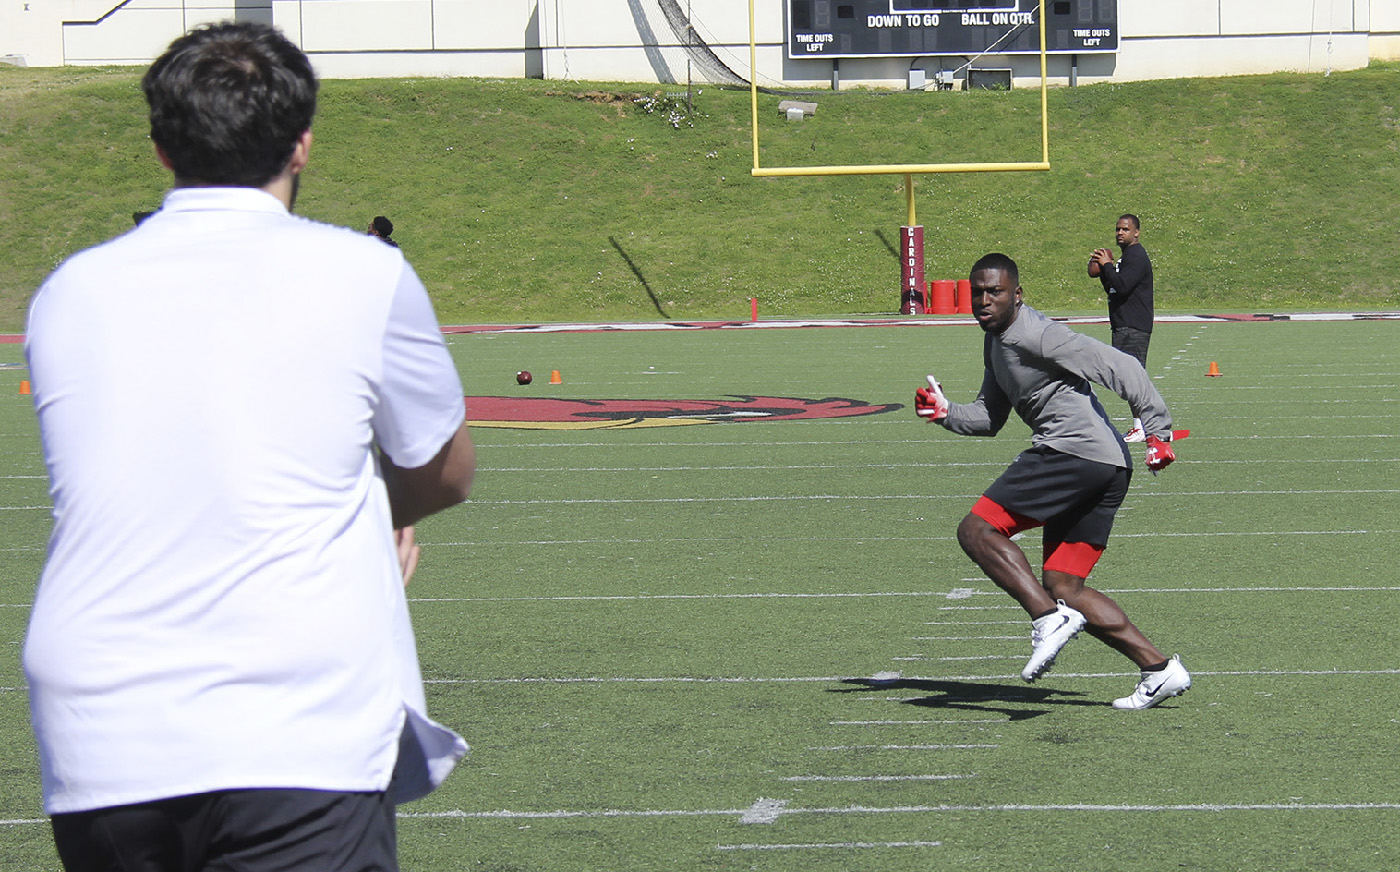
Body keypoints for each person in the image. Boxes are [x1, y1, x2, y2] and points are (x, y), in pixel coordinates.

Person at [24, 21, 475, 871]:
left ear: (160, 148)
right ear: (302, 144)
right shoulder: (364, 273)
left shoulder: (67, 292)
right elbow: (445, 470)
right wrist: (374, 509)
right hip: (292, 714)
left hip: (100, 724)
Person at [915, 252, 1189, 710]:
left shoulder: (1036, 333)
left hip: (1074, 454)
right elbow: (989, 417)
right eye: (977, 292)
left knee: (976, 530)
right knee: (1066, 586)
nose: (984, 300)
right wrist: (946, 413)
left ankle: (1047, 620)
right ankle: (1160, 670)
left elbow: (1122, 367)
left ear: (1016, 295)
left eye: (995, 292)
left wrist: (1157, 433)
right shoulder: (996, 341)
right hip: (1105, 466)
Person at [1089, 213, 1154, 442]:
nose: (1120, 233)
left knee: (1132, 379)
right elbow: (1115, 289)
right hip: (1123, 324)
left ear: (1136, 232)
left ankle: (1142, 426)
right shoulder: (1126, 257)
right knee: (1127, 379)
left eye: (1125, 229)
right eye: (1117, 229)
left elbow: (1124, 286)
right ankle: (1143, 425)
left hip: (1133, 325)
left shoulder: (1136, 255)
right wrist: (1103, 272)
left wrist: (1107, 265)